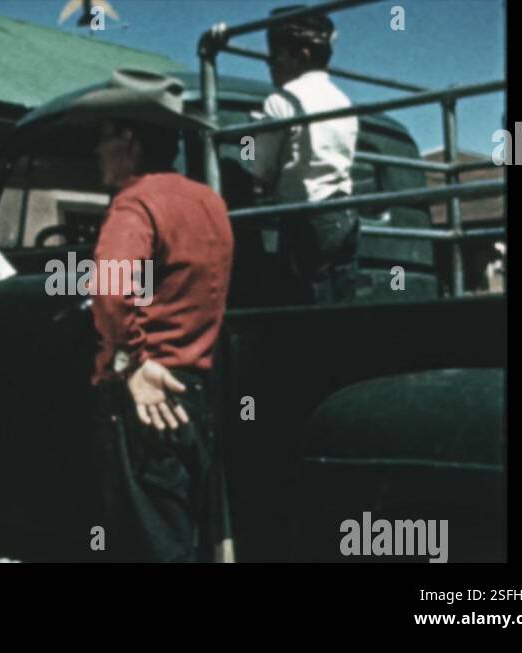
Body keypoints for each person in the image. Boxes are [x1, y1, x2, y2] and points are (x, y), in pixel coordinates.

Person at [85, 70, 234, 562]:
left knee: (148, 543)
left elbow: (110, 287)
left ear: (128, 140)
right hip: (196, 394)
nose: (95, 151)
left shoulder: (135, 203)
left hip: (146, 401)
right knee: (184, 534)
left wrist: (130, 363)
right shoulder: (209, 202)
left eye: (102, 137)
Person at [251, 6, 360, 304]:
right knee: (341, 301)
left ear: (302, 55)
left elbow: (259, 170)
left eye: (274, 56)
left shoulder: (281, 100)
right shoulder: (343, 100)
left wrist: (252, 133)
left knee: (304, 307)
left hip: (306, 218)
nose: (269, 66)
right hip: (346, 212)